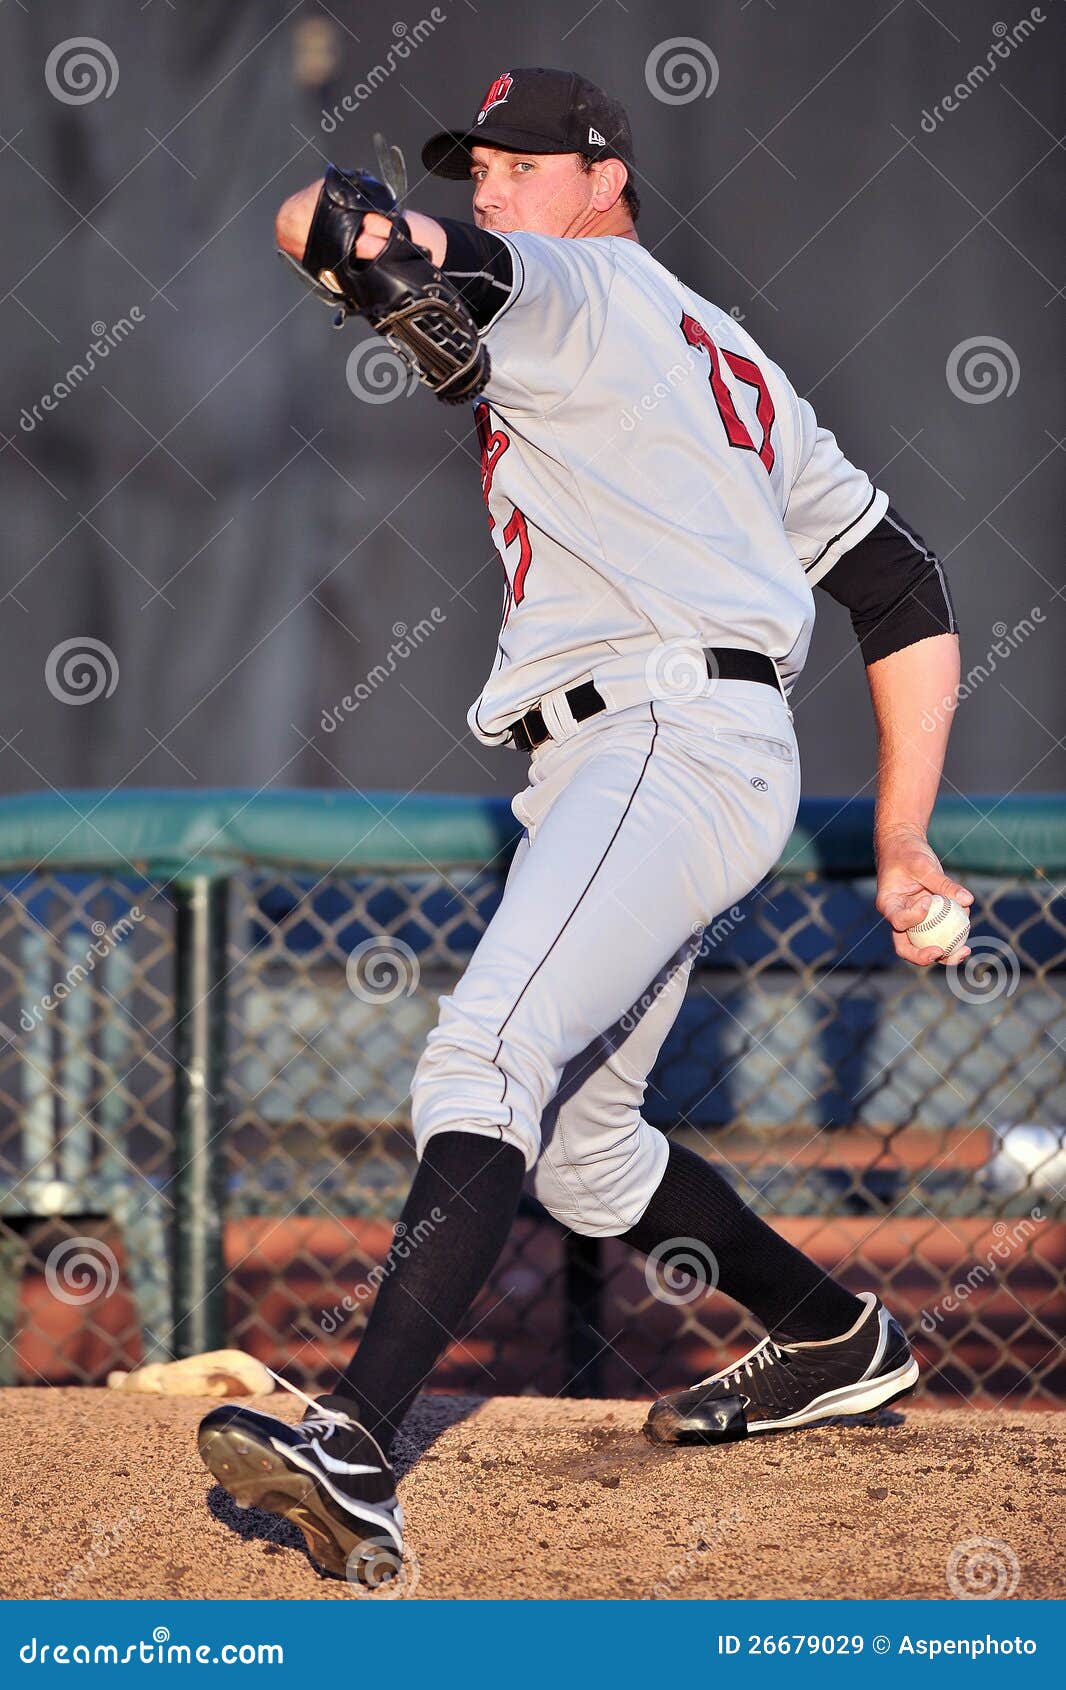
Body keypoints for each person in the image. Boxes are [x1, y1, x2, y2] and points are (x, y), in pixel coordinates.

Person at [198, 68, 969, 1582]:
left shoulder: (566, 280)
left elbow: (321, 217)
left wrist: (395, 267)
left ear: (603, 175)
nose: (491, 188)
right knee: (586, 1154)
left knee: (480, 1058)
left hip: (658, 738)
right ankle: (831, 1332)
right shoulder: (729, 350)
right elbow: (899, 584)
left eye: (521, 162)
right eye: (472, 166)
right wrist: (903, 837)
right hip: (678, 747)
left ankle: (355, 1442)